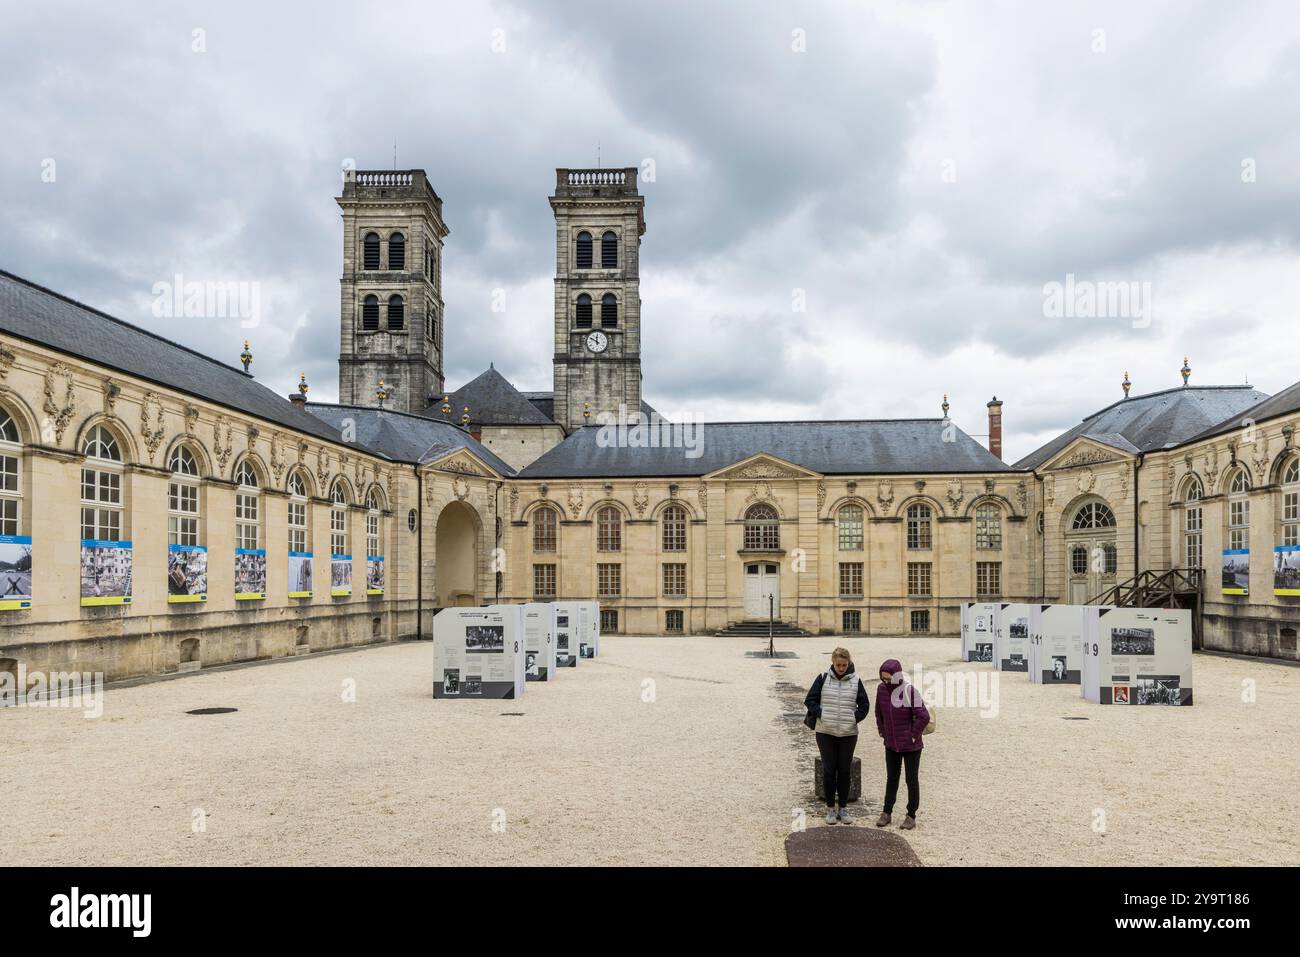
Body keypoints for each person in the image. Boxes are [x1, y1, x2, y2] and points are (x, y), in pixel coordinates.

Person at [804, 647, 869, 825]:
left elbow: (864, 705)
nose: (841, 668)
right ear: (832, 662)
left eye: (844, 665)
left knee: (845, 771)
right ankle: (831, 809)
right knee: (829, 770)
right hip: (825, 732)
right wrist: (822, 714)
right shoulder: (823, 677)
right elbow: (810, 700)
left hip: (848, 733)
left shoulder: (856, 680)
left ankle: (844, 808)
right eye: (838, 665)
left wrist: (854, 718)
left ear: (849, 663)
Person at [874, 658, 930, 831]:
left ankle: (911, 815)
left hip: (911, 746)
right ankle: (886, 812)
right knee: (892, 778)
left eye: (889, 679)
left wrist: (913, 736)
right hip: (891, 744)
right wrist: (882, 732)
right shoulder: (881, 689)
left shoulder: (909, 691)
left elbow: (924, 716)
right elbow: (879, 713)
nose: (886, 681)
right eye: (883, 678)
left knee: (911, 780)